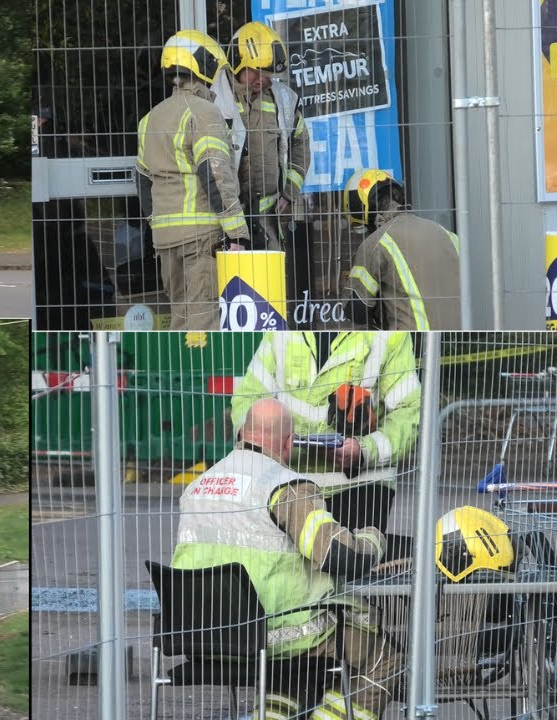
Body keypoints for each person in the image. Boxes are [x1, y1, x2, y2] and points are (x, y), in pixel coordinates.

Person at [173, 398, 403, 720]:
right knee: (385, 661)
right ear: (288, 443)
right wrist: (374, 539)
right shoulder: (284, 488)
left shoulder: (198, 487)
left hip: (202, 634)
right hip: (275, 636)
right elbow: (339, 554)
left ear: (241, 433)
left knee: (290, 673)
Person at [231, 331, 421, 533]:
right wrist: (260, 441)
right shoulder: (281, 331)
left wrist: (364, 451)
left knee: (350, 561)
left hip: (359, 486)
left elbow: (408, 411)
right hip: (289, 485)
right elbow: (247, 399)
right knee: (288, 564)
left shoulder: (388, 335)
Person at [139, 29, 251, 330]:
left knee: (181, 320)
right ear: (203, 65)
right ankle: (200, 376)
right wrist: (237, 232)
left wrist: (156, 223)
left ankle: (178, 373)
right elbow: (215, 174)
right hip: (200, 237)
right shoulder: (204, 112)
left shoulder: (149, 119)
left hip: (165, 240)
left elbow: (144, 183)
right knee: (204, 325)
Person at [226, 22, 315, 320]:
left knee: (270, 297)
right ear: (238, 62)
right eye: (256, 70)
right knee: (230, 296)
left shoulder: (282, 100)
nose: (262, 80)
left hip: (267, 220)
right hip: (226, 221)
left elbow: (301, 145)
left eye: (268, 73)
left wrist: (289, 192)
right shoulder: (217, 99)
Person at [343, 169, 463, 330]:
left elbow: (355, 310)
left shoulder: (376, 243)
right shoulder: (446, 233)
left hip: (413, 337)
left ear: (360, 206)